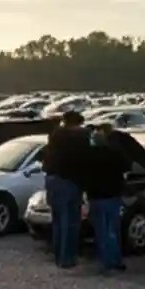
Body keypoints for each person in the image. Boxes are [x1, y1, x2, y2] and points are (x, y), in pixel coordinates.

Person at [42, 110, 90, 269]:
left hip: (52, 179)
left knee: (58, 220)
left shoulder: (55, 136)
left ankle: (58, 256)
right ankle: (67, 258)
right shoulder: (79, 137)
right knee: (70, 222)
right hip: (69, 181)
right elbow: (81, 161)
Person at [84, 122, 128, 274]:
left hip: (96, 196)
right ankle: (116, 259)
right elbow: (126, 166)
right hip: (113, 194)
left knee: (101, 230)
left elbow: (84, 176)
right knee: (113, 229)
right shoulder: (115, 153)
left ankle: (106, 262)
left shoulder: (89, 156)